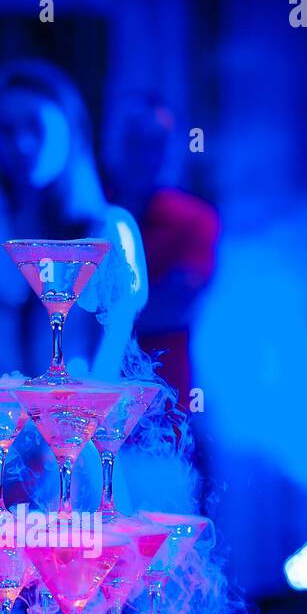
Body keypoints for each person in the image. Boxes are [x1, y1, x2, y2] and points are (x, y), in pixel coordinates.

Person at [0, 58, 148, 515]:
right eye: (4, 129)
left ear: (69, 129)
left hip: (75, 449)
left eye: (34, 126)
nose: (20, 143)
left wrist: (55, 449)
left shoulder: (109, 231)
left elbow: (106, 365)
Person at [103, 92, 219, 407]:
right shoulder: (88, 216)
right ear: (114, 143)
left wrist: (91, 315)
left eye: (155, 144)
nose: (144, 156)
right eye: (134, 142)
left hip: (163, 403)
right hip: (91, 398)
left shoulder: (196, 220)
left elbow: (175, 306)